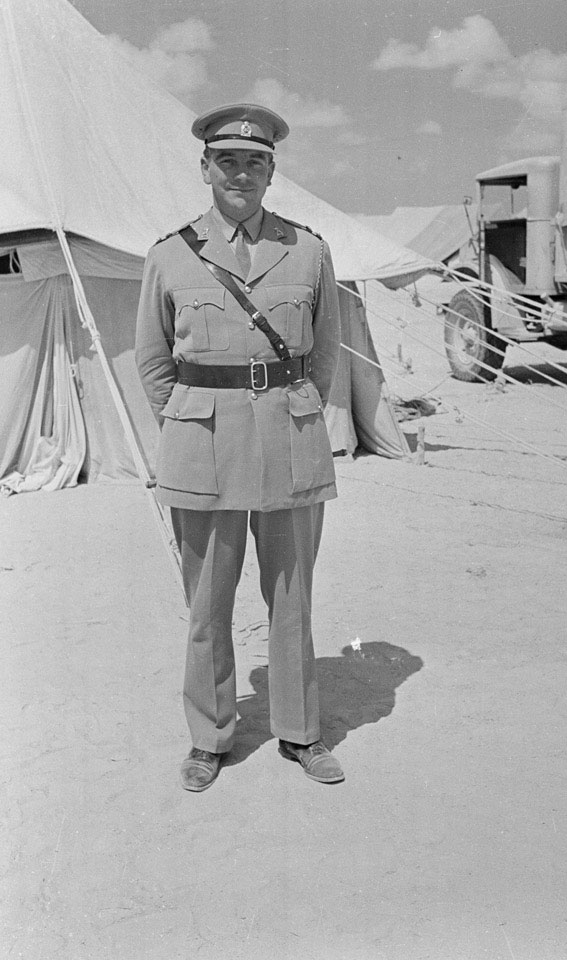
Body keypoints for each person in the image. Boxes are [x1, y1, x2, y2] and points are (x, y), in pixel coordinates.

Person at [135, 103, 343, 791]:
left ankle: (300, 733)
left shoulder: (308, 249)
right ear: (205, 169)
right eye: (228, 160)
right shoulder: (169, 254)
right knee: (207, 604)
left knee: (292, 598)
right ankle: (210, 735)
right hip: (202, 445)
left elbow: (324, 355)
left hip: (289, 439)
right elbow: (153, 362)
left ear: (271, 172)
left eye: (255, 162)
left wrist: (298, 412)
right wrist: (192, 422)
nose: (241, 173)